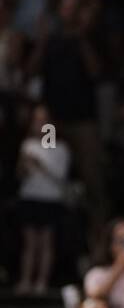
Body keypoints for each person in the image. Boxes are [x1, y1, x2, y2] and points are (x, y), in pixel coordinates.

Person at [15, 103, 71, 295]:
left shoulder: (60, 148)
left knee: (46, 242)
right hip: (30, 196)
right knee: (29, 243)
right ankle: (25, 279)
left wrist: (40, 165)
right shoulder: (28, 145)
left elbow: (60, 177)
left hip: (50, 198)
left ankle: (41, 281)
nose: (40, 124)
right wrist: (23, 165)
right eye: (36, 120)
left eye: (43, 120)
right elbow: (20, 176)